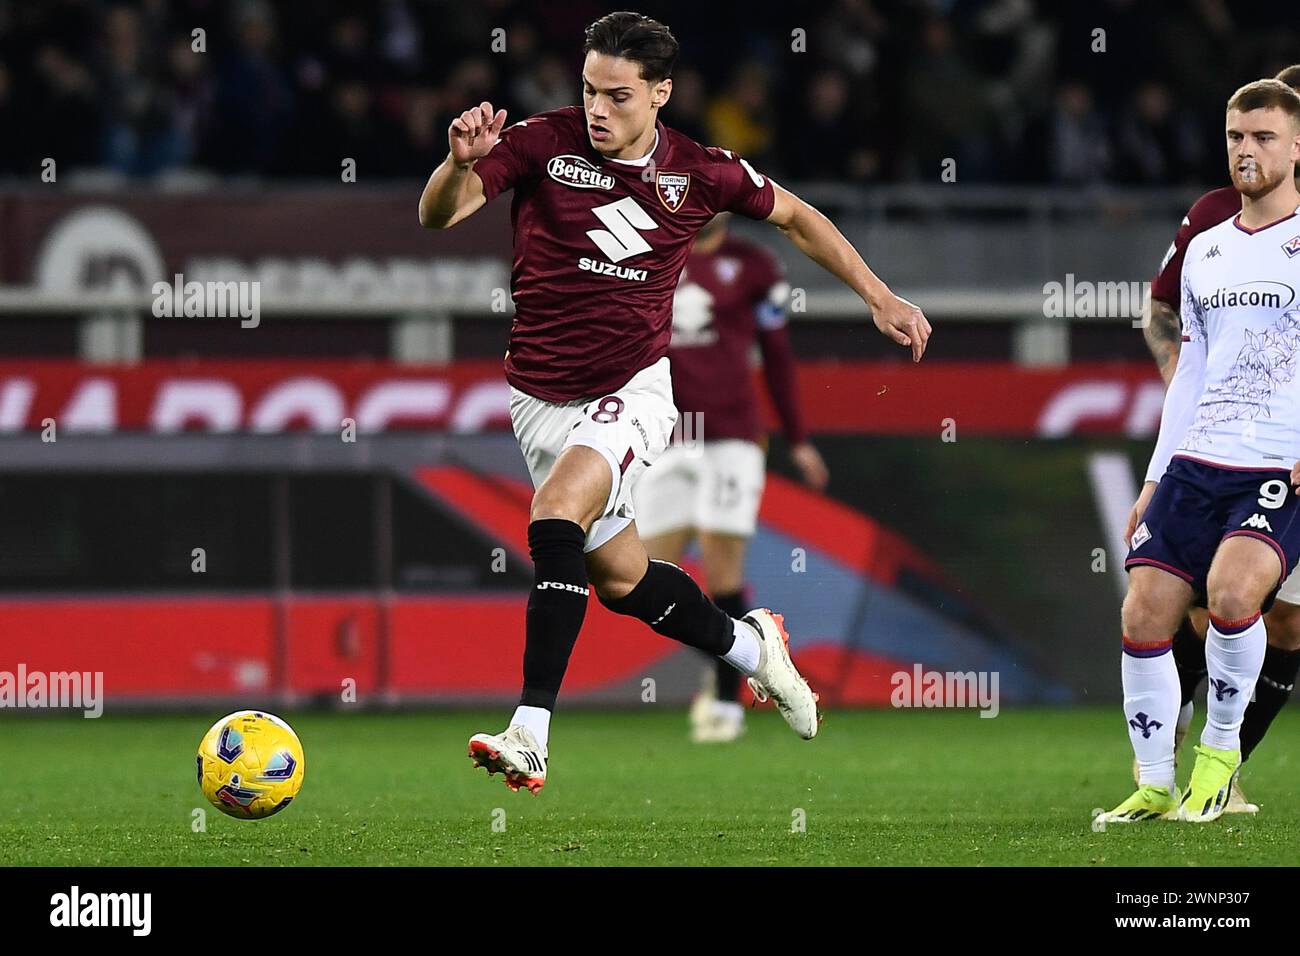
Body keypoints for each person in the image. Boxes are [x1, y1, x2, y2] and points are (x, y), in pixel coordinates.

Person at [419, 12, 929, 794]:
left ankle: (531, 731)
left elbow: (796, 216)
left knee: (556, 516)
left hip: (632, 391)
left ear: (660, 94)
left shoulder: (701, 172)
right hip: (536, 399)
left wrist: (879, 294)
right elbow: (437, 215)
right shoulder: (537, 143)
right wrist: (457, 166)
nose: (597, 109)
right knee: (622, 579)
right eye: (589, 90)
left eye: (618, 96)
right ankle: (755, 651)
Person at [1102, 78, 1300, 823]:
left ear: (1297, 148)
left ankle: (1219, 759)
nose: (1247, 151)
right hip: (1197, 460)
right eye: (1236, 137)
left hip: (1277, 464)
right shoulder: (1208, 249)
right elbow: (1190, 371)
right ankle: (1155, 781)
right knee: (1145, 609)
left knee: (1230, 596)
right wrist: (1155, 478)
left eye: (1264, 138)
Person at [633, 212, 828, 743]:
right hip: (664, 435)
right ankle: (751, 651)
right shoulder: (647, 251)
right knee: (636, 582)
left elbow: (778, 353)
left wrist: (798, 438)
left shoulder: (754, 265)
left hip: (731, 438)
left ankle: (725, 703)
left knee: (722, 576)